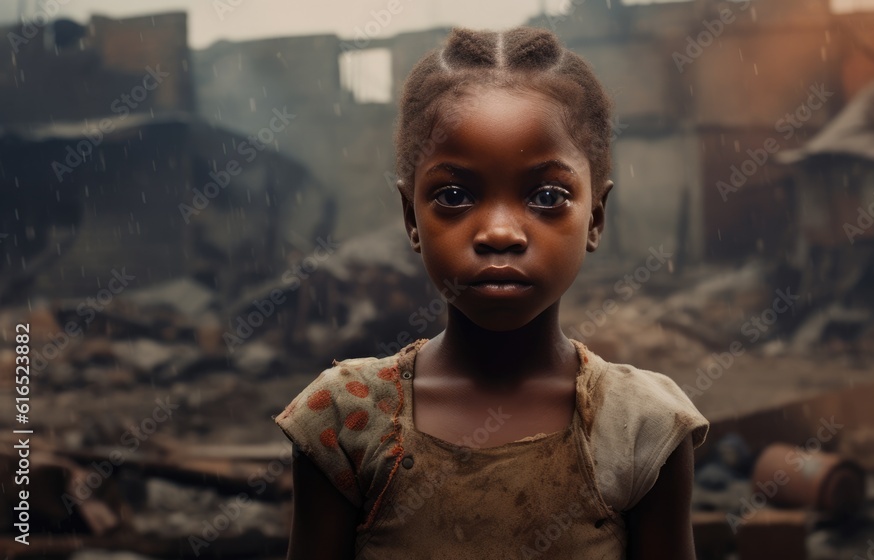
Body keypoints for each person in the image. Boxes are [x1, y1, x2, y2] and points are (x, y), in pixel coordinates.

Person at [276, 26, 709, 559]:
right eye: (454, 195)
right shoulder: (345, 419)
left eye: (547, 196)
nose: (500, 232)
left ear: (595, 217)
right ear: (411, 217)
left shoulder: (643, 426)